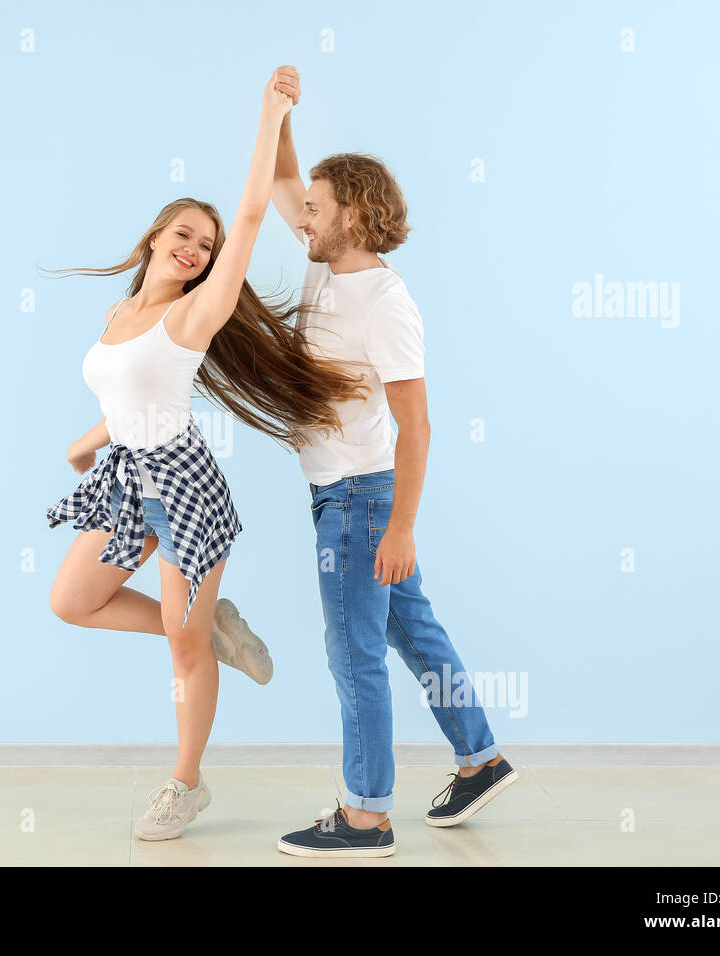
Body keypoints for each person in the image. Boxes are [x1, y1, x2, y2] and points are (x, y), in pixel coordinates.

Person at [45, 67, 370, 842]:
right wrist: (84, 443)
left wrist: (271, 116)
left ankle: (185, 785)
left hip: (186, 490)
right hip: (130, 479)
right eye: (184, 233)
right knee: (71, 600)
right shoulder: (120, 311)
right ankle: (209, 623)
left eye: (208, 243)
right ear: (155, 237)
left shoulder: (198, 314)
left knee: (185, 657)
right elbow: (130, 399)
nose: (196, 248)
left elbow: (254, 211)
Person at [265, 71, 517, 858]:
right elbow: (279, 178)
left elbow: (418, 422)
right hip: (347, 493)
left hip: (360, 499)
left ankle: (366, 816)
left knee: (355, 655)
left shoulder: (384, 303)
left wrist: (401, 525)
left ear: (355, 212)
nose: (301, 215)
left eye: (315, 206)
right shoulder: (321, 265)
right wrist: (277, 114)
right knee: (414, 631)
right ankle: (481, 758)